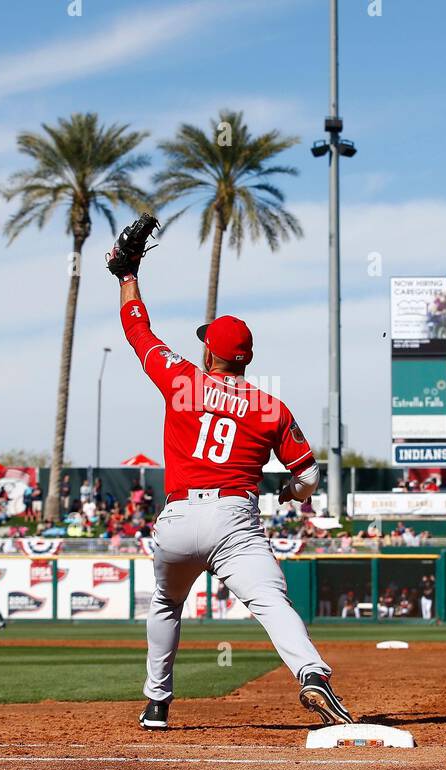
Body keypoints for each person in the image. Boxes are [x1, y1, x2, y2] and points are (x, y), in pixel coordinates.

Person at [109, 214, 352, 730]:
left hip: (177, 518)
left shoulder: (180, 380)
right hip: (234, 520)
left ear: (209, 352)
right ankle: (312, 675)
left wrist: (128, 277)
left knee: (166, 604)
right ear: (247, 357)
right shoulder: (270, 407)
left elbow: (137, 329)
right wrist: (289, 491)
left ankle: (156, 704)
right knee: (271, 601)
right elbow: (309, 478)